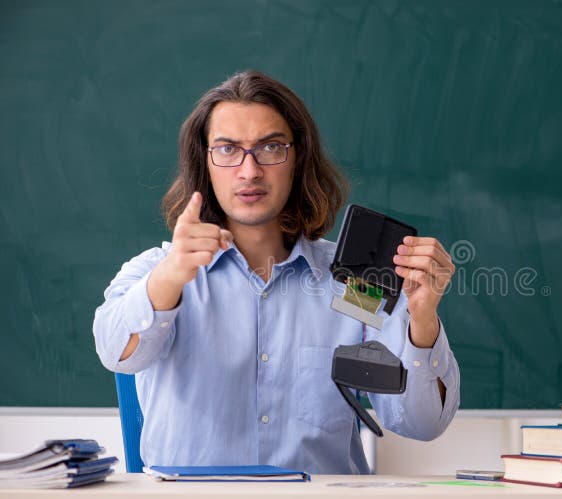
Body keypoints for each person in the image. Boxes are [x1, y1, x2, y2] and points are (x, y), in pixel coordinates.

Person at [93, 70, 460, 474]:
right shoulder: (157, 273)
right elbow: (116, 354)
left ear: (297, 158)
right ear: (206, 161)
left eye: (270, 147)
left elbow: (421, 424)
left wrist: (422, 324)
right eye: (228, 149)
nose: (249, 171)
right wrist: (172, 275)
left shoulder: (350, 285)